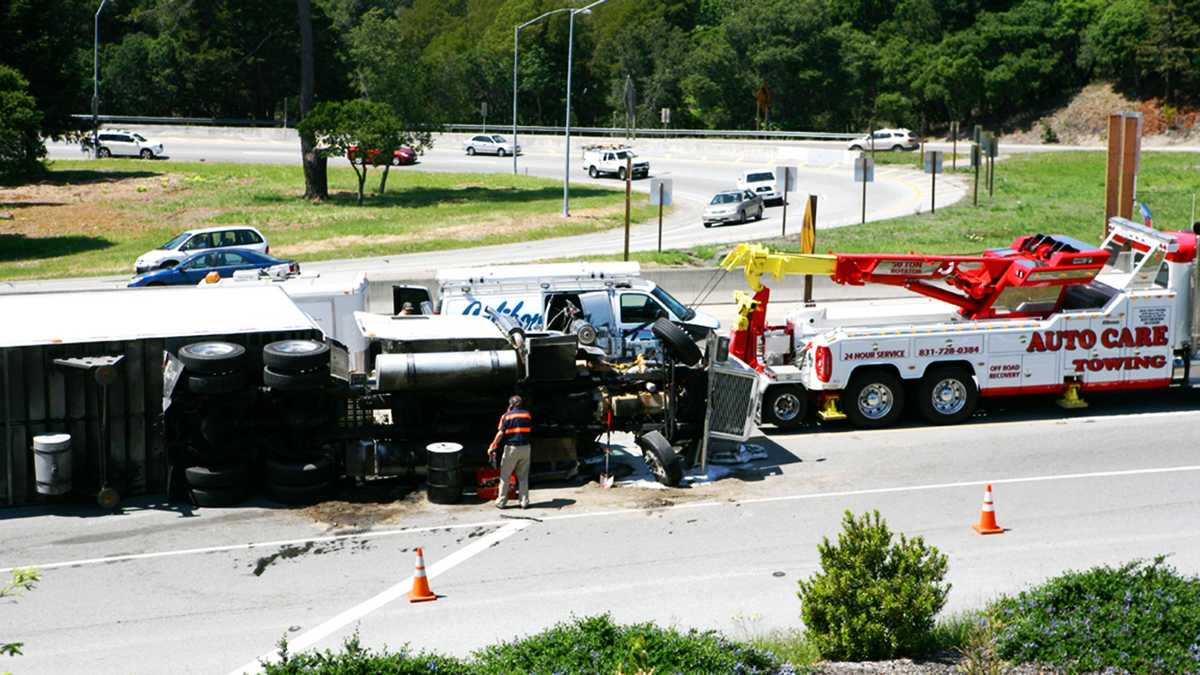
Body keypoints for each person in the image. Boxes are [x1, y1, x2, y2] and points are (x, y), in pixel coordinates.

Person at [488, 395, 532, 509]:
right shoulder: (527, 415)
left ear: (511, 404)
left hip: (512, 449)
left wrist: (493, 445)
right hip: (526, 448)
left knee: (505, 476)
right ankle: (524, 502)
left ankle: (501, 502)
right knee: (523, 477)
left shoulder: (506, 416)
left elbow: (500, 433)